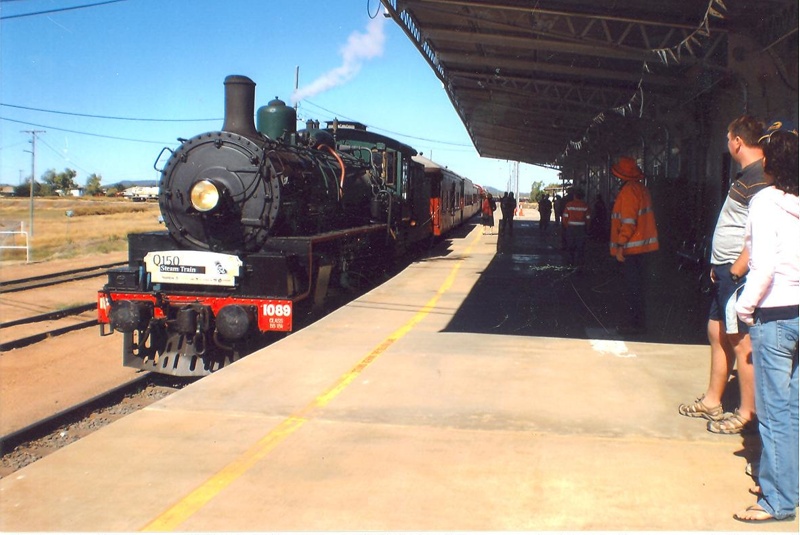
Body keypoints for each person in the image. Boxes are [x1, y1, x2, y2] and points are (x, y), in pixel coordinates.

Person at [678, 115, 768, 435]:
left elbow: (762, 230)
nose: (727, 144)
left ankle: (747, 412)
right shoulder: (748, 175)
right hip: (724, 268)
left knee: (740, 339)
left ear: (737, 142)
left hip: (735, 271)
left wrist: (737, 267)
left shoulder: (761, 177)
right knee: (717, 332)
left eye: (728, 139)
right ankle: (712, 400)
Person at [732, 122, 798, 523]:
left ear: (771, 162)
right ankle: (788, 483)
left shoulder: (764, 202)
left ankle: (778, 500)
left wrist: (744, 309)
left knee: (774, 413)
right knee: (794, 410)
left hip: (774, 315)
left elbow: (764, 266)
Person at [609, 156, 659, 335]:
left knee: (632, 289)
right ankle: (639, 323)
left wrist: (621, 244)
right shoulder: (641, 189)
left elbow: (628, 221)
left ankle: (634, 325)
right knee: (638, 288)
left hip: (632, 248)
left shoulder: (629, 191)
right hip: (643, 249)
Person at [561, 188, 591, 268]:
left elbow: (565, 218)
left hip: (571, 228)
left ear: (574, 196)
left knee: (570, 246)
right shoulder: (585, 205)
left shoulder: (569, 205)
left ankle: (570, 263)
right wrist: (586, 227)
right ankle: (579, 264)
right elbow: (588, 218)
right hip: (581, 229)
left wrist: (566, 226)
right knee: (580, 247)